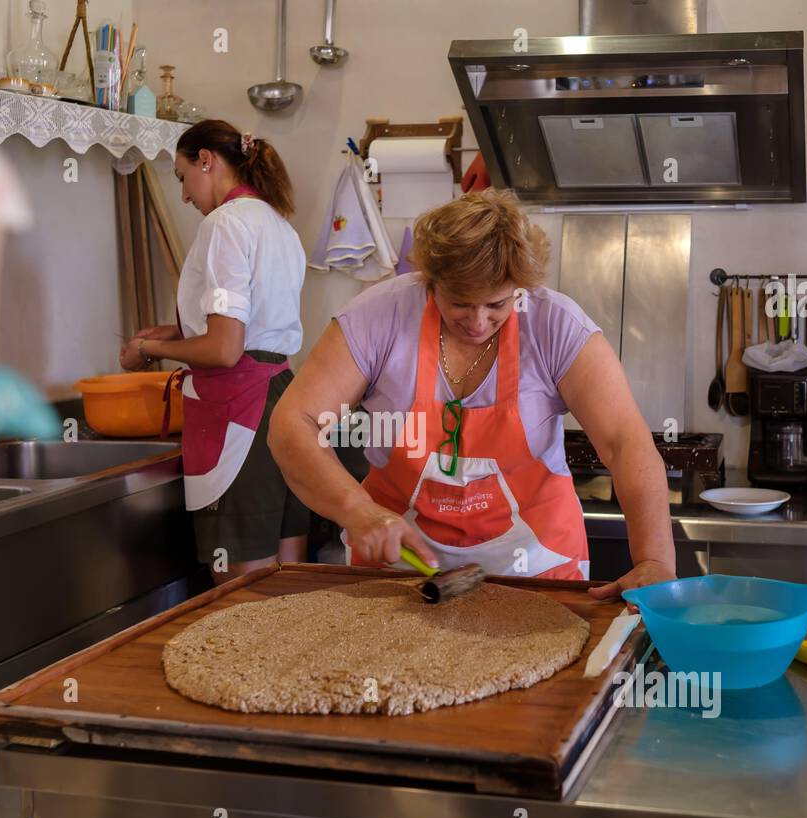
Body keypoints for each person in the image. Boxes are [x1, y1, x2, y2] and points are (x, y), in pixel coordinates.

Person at [268, 189, 675, 599]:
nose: (478, 321)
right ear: (430, 282)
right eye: (460, 303)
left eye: (497, 303)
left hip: (535, 570)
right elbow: (293, 424)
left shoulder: (557, 325)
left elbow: (625, 444)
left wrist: (654, 560)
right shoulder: (380, 316)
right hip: (399, 570)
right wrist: (357, 511)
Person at [120, 119, 309, 583]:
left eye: (183, 177)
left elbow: (226, 348)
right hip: (287, 401)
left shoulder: (225, 224)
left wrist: (149, 349)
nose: (184, 196)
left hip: (239, 411)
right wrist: (174, 330)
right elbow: (255, 326)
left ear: (207, 160)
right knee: (289, 580)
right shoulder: (278, 224)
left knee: (241, 593)